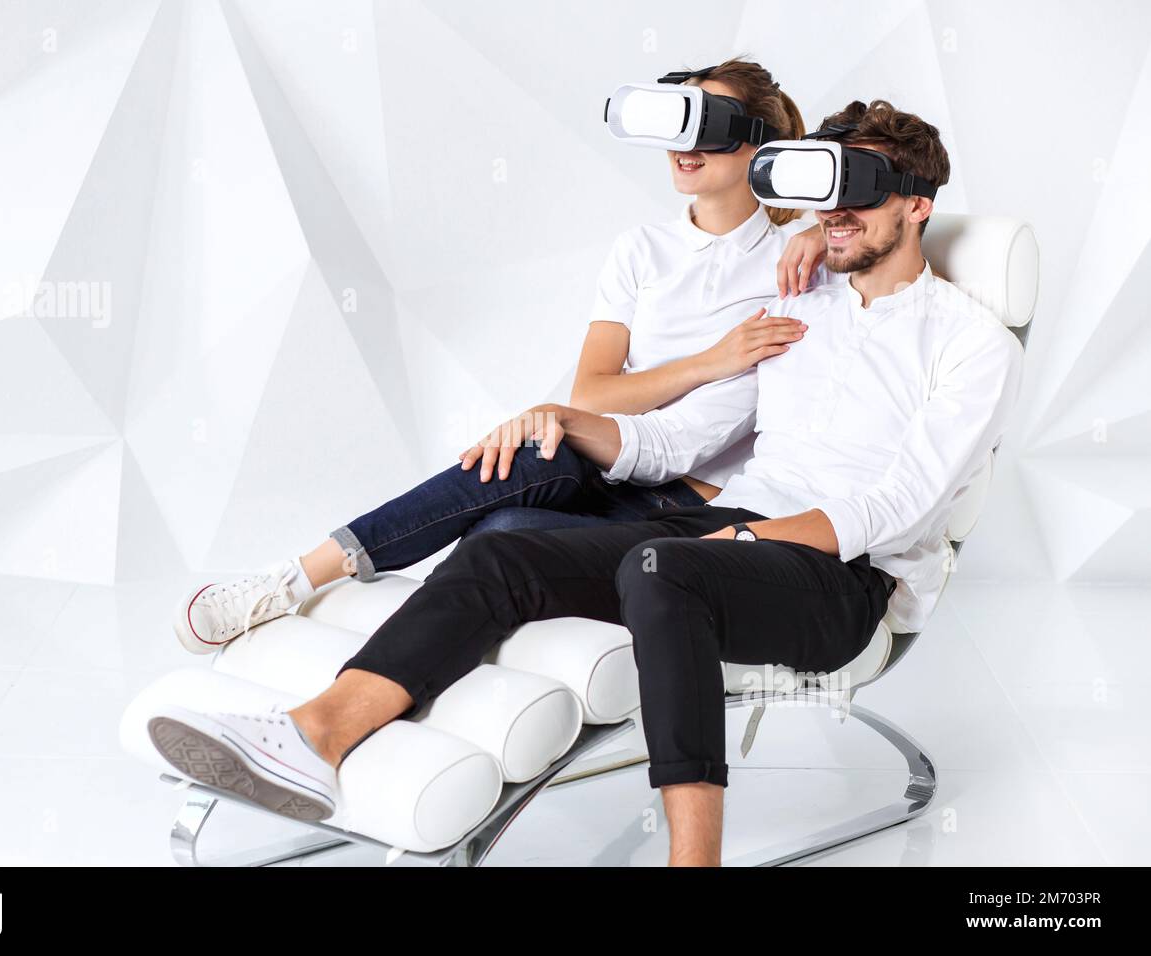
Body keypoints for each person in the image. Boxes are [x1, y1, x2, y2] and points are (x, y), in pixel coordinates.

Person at [148, 99, 1025, 866]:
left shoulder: (969, 342)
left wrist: (756, 539)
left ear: (916, 206)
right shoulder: (797, 305)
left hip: (840, 579)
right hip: (734, 531)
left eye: (857, 195)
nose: (833, 215)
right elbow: (692, 432)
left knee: (661, 567)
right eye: (823, 195)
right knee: (508, 559)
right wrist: (569, 425)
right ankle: (315, 734)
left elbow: (899, 504)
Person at [171, 57, 828, 654]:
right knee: (535, 450)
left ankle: (399, 648)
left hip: (680, 500)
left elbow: (681, 442)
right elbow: (591, 393)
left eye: (705, 127)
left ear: (760, 146)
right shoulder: (640, 250)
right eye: (675, 124)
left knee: (508, 523)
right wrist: (708, 361)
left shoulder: (795, 268)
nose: (683, 148)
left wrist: (821, 235)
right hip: (606, 461)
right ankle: (288, 582)